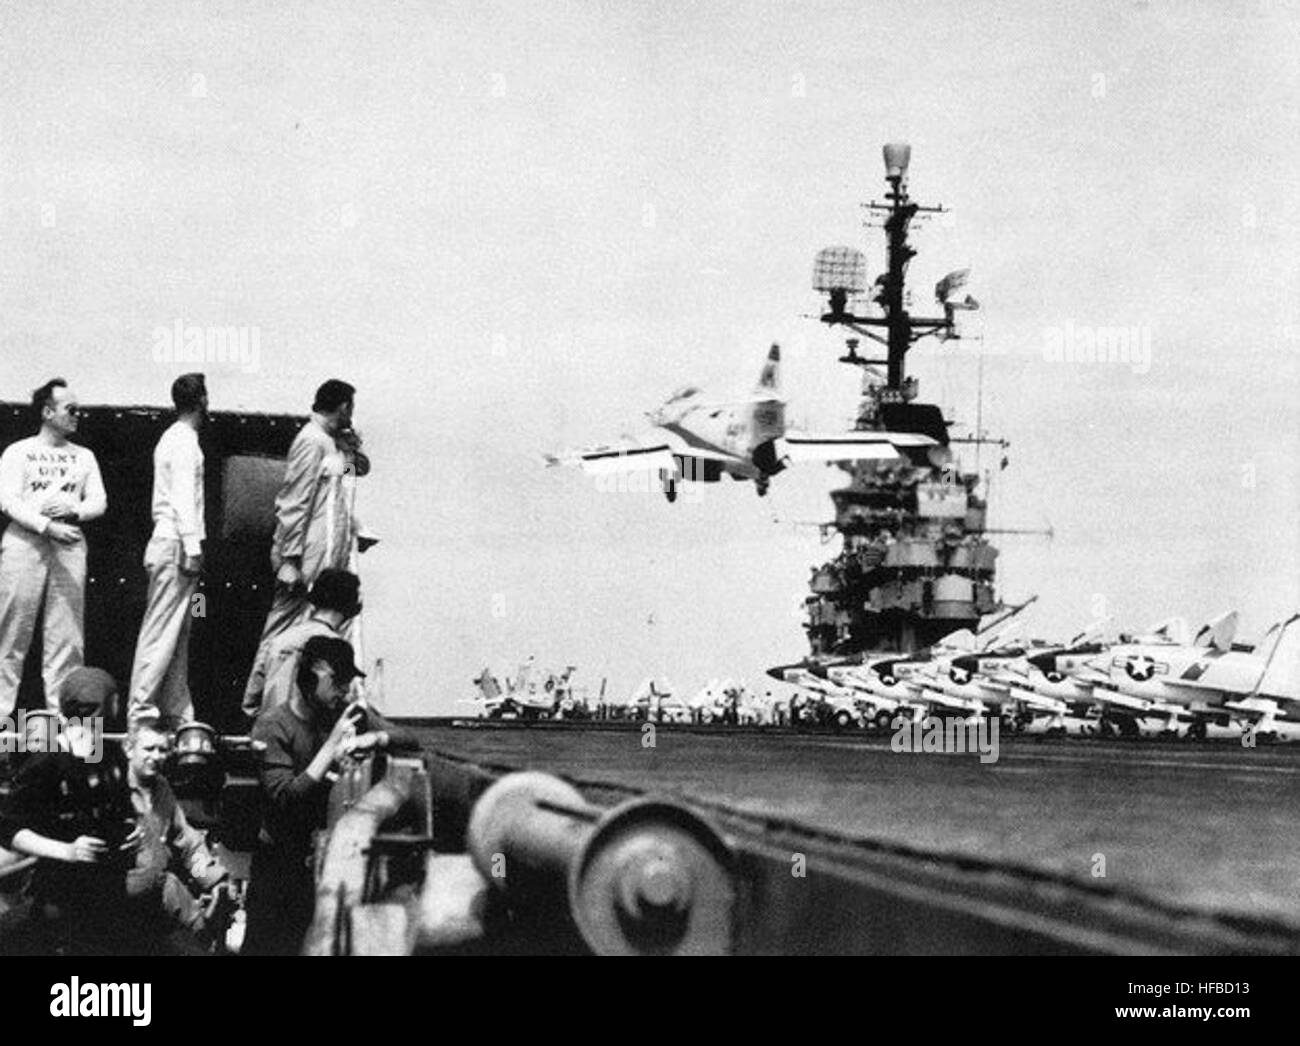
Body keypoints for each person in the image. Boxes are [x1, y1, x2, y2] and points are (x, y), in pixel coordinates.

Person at [0, 667, 206, 955]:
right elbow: (9, 830)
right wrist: (66, 850)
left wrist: (130, 833)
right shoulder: (45, 763)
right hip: (61, 897)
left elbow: (119, 811)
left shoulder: (111, 759)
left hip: (110, 892)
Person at [244, 636, 415, 956]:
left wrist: (375, 738)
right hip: (279, 868)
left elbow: (409, 739)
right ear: (311, 677)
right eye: (338, 681)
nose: (343, 690)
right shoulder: (271, 727)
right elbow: (287, 798)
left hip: (323, 864)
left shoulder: (341, 714)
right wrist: (332, 746)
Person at [0, 379, 107, 716]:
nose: (77, 416)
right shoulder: (19, 451)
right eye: (69, 409)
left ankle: (66, 726)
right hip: (24, 543)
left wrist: (74, 512)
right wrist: (46, 526)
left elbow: (99, 500)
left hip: (70, 546)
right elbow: (7, 500)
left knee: (67, 638)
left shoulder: (84, 457)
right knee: (12, 632)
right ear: (47, 412)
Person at [250, 380, 376, 663]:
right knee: (283, 631)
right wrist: (289, 560)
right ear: (344, 407)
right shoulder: (311, 441)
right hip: (304, 559)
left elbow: (360, 469)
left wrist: (353, 448)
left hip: (324, 559)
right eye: (350, 409)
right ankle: (255, 703)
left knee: (311, 633)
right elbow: (294, 502)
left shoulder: (331, 446)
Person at [128, 373, 208, 731]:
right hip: (175, 543)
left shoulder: (175, 439)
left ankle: (177, 714)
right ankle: (141, 713)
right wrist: (192, 545)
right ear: (203, 400)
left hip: (173, 543)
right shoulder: (183, 442)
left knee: (177, 635)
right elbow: (182, 497)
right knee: (161, 634)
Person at [124, 721, 231, 946]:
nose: (156, 756)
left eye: (162, 750)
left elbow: (187, 842)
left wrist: (211, 878)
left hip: (158, 902)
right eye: (148, 749)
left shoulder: (162, 788)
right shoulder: (113, 790)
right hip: (120, 905)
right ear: (128, 748)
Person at [241, 568, 362, 719]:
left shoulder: (276, 640)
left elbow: (250, 701)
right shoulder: (338, 649)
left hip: (269, 732)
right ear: (349, 608)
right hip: (310, 737)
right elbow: (343, 702)